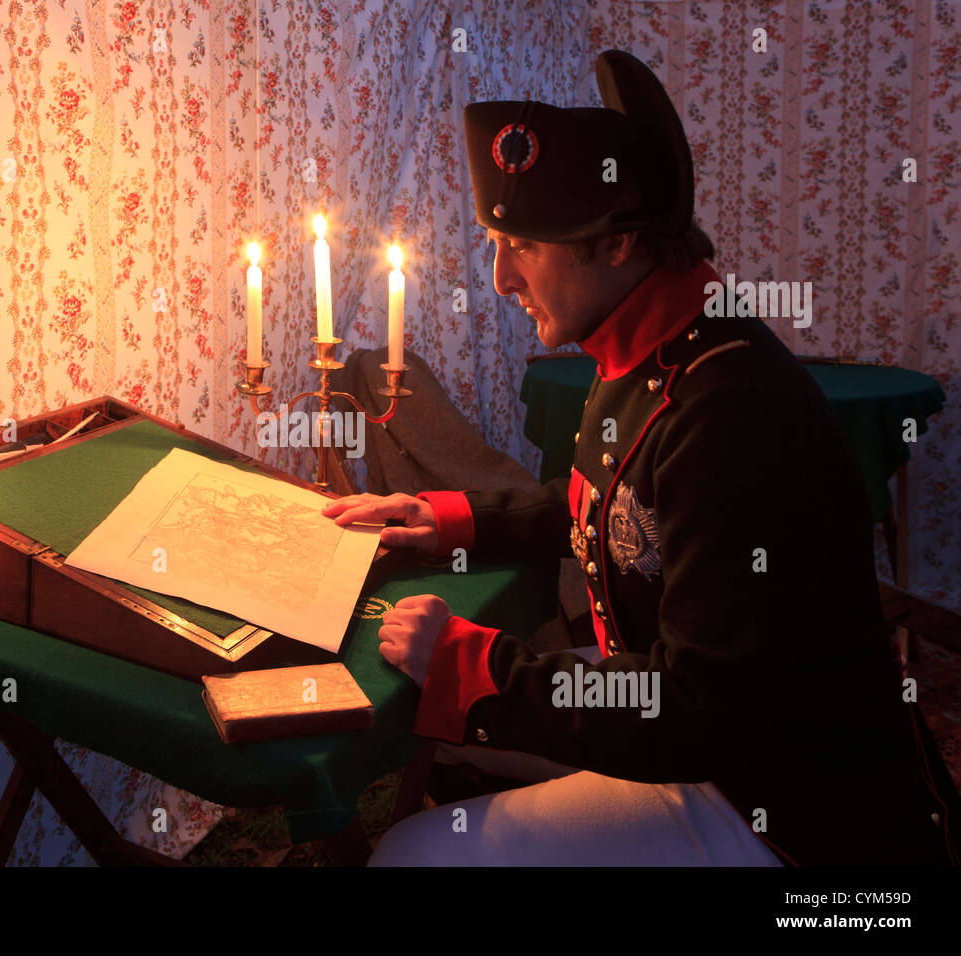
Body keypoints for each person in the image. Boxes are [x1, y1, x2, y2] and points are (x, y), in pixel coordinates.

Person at [321, 50, 956, 866]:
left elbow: (696, 713)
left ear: (619, 242)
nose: (501, 275)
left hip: (776, 803)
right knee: (433, 719)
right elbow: (621, 509)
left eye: (523, 245)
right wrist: (451, 516)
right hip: (691, 719)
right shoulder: (658, 346)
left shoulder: (734, 413)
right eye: (494, 241)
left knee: (413, 854)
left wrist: (482, 670)